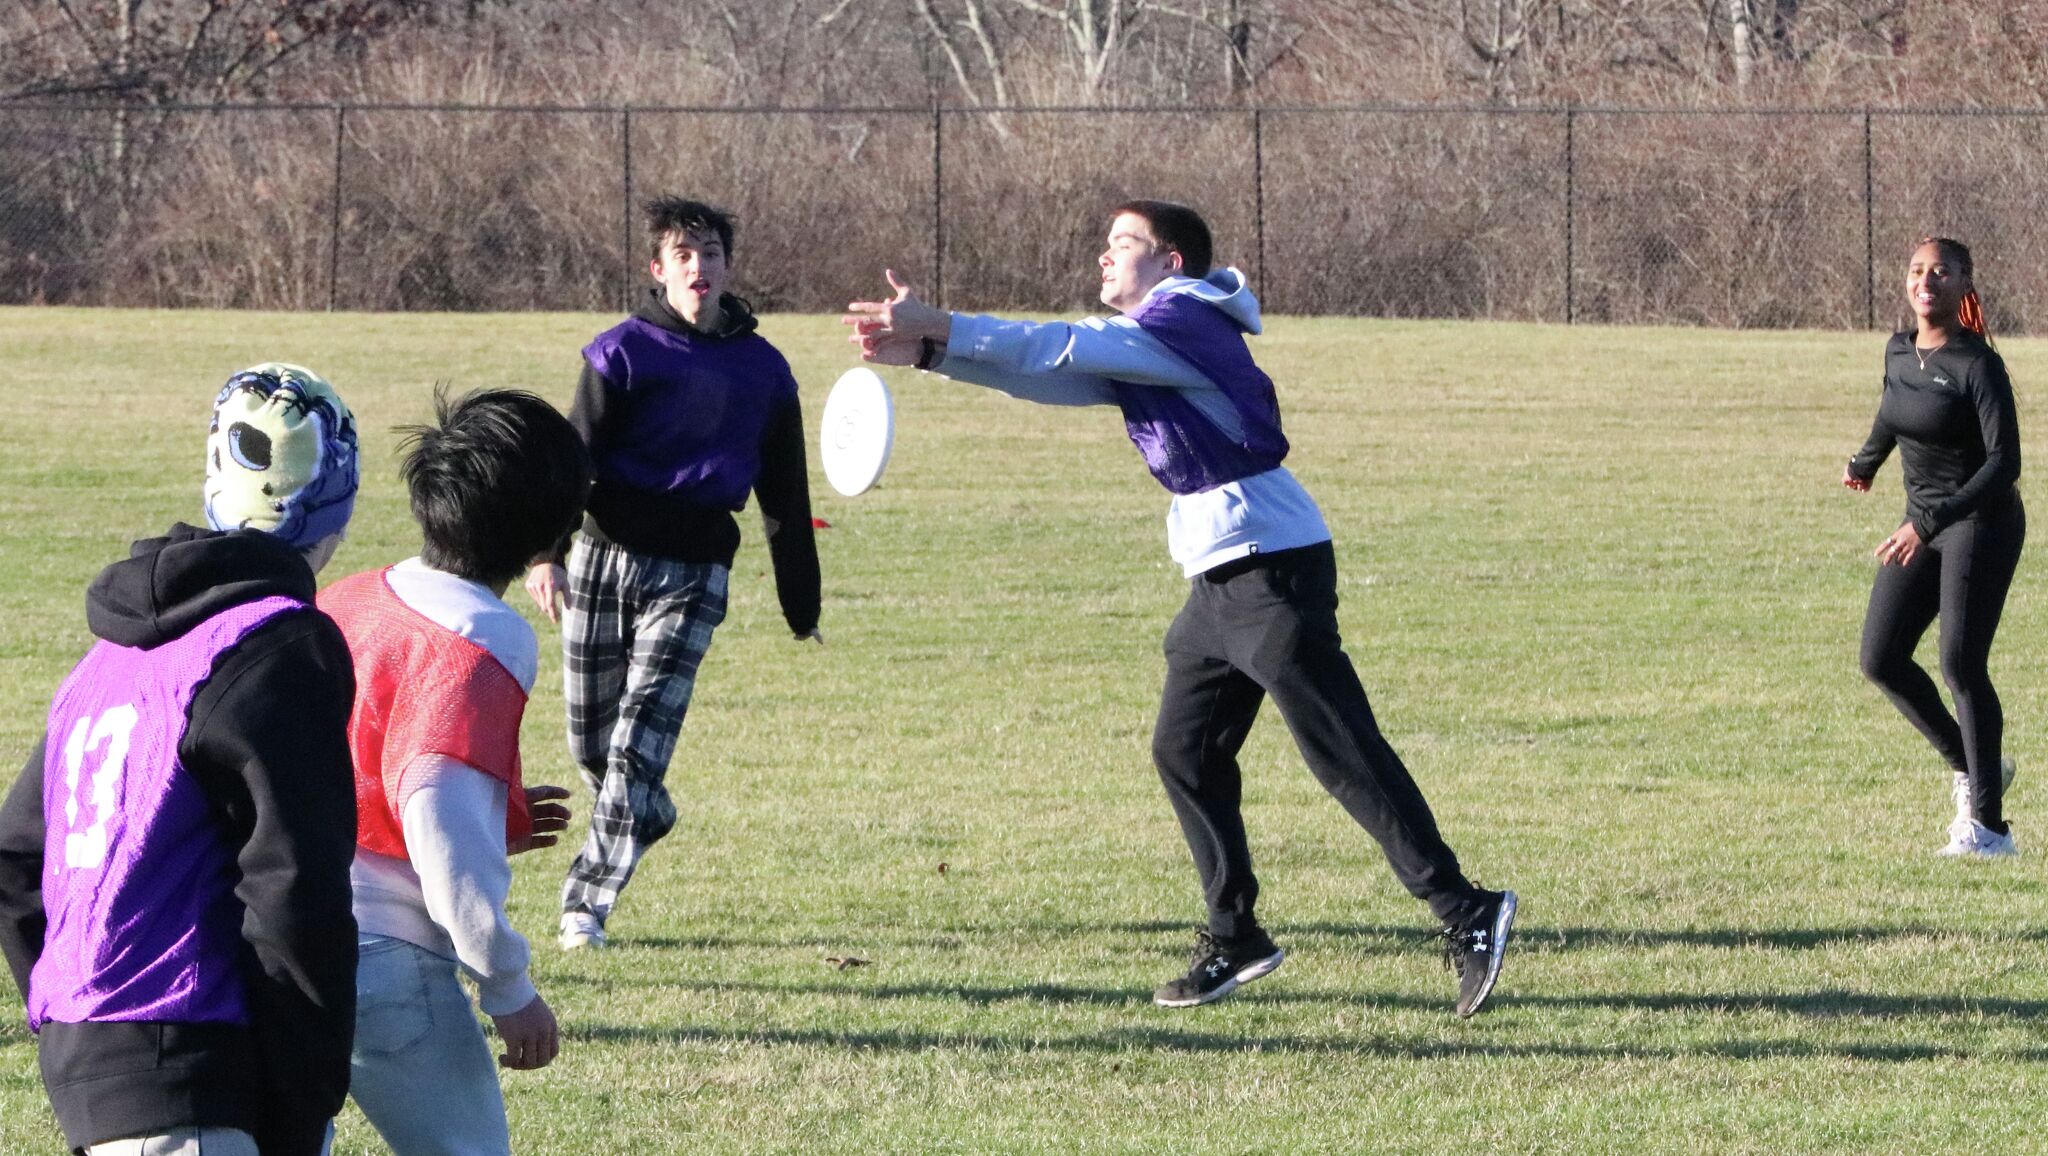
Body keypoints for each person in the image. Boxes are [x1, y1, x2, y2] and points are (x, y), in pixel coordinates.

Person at [843, 199, 1517, 1016]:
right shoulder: (1153, 338)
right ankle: (1237, 936)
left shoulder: (1184, 319)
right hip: (1221, 576)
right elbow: (1054, 376)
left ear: (1171, 264)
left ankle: (1467, 910)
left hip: (1271, 567)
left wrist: (945, 322)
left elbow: (1062, 345)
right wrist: (934, 353)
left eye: (1124, 243)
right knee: (1185, 752)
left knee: (1340, 749)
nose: (1105, 256)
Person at [0, 364, 362, 1155]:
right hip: (189, 1053)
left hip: (94, 1065)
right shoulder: (278, 642)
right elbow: (294, 884)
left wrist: (76, 1009)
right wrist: (304, 1091)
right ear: (331, 506)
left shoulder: (105, 662)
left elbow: (17, 857)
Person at [524, 196, 823, 950]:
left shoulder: (764, 372)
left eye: (710, 253)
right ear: (658, 270)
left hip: (694, 573)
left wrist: (802, 605)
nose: (698, 267)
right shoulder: (620, 353)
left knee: (636, 747)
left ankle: (585, 905)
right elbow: (574, 460)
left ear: (727, 267)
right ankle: (644, 811)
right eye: (683, 255)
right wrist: (546, 553)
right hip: (602, 559)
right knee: (592, 743)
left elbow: (786, 496)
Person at [318, 388, 590, 1154]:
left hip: (275, 937)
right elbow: (435, 808)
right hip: (386, 955)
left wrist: (490, 810)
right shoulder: (485, 637)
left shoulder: (348, 598)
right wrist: (508, 986)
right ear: (551, 527)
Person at [1845, 236, 2024, 858]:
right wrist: (1866, 461)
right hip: (1922, 522)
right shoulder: (1899, 350)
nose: (1927, 281)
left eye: (1941, 272)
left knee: (1960, 665)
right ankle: (1976, 767)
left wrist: (1928, 522)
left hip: (1982, 522)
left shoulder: (1978, 365)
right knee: (1881, 657)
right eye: (1918, 271)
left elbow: (2004, 464)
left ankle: (1989, 831)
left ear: (1964, 284)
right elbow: (1892, 411)